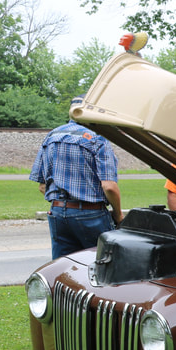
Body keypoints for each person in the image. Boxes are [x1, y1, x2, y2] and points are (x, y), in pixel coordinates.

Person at [29, 110, 123, 259]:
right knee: (104, 264)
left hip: (57, 211)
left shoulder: (51, 136)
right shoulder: (98, 138)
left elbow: (42, 186)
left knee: (63, 266)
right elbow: (109, 186)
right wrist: (118, 214)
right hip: (91, 213)